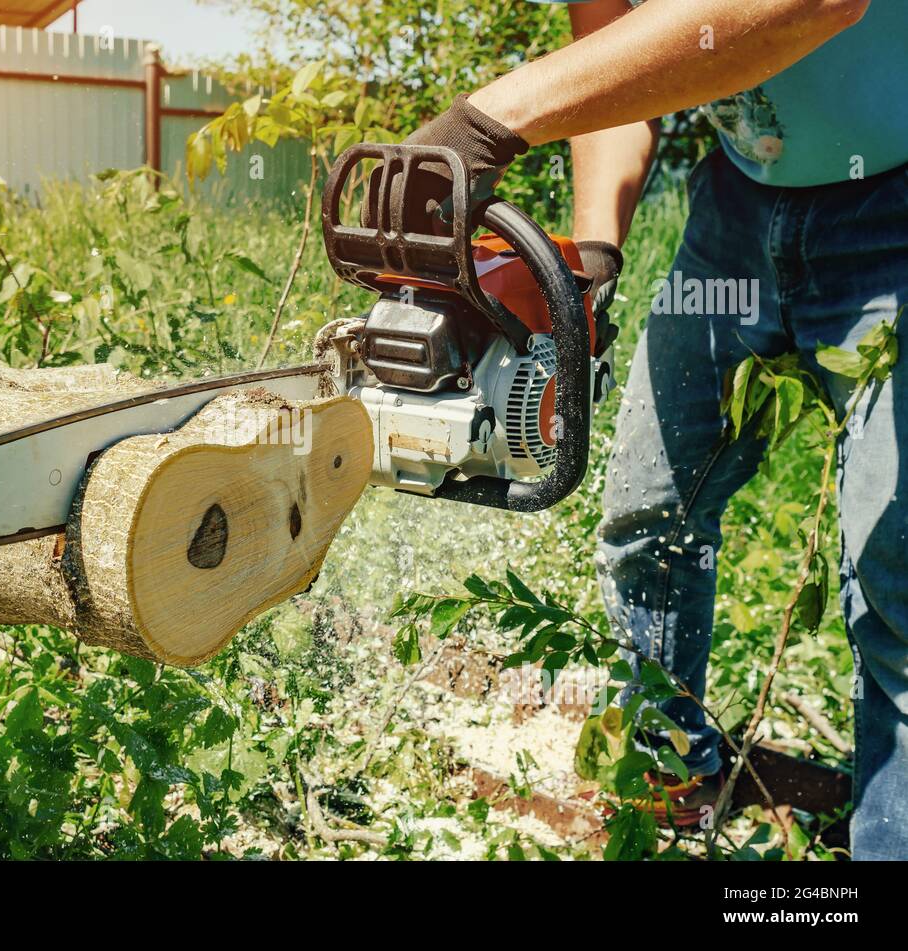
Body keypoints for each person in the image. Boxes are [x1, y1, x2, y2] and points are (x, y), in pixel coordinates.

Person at [387, 0, 905, 858]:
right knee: (648, 513)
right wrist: (589, 265)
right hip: (739, 213)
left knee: (897, 580)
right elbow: (617, 72)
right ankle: (671, 779)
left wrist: (490, 124)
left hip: (894, 204)